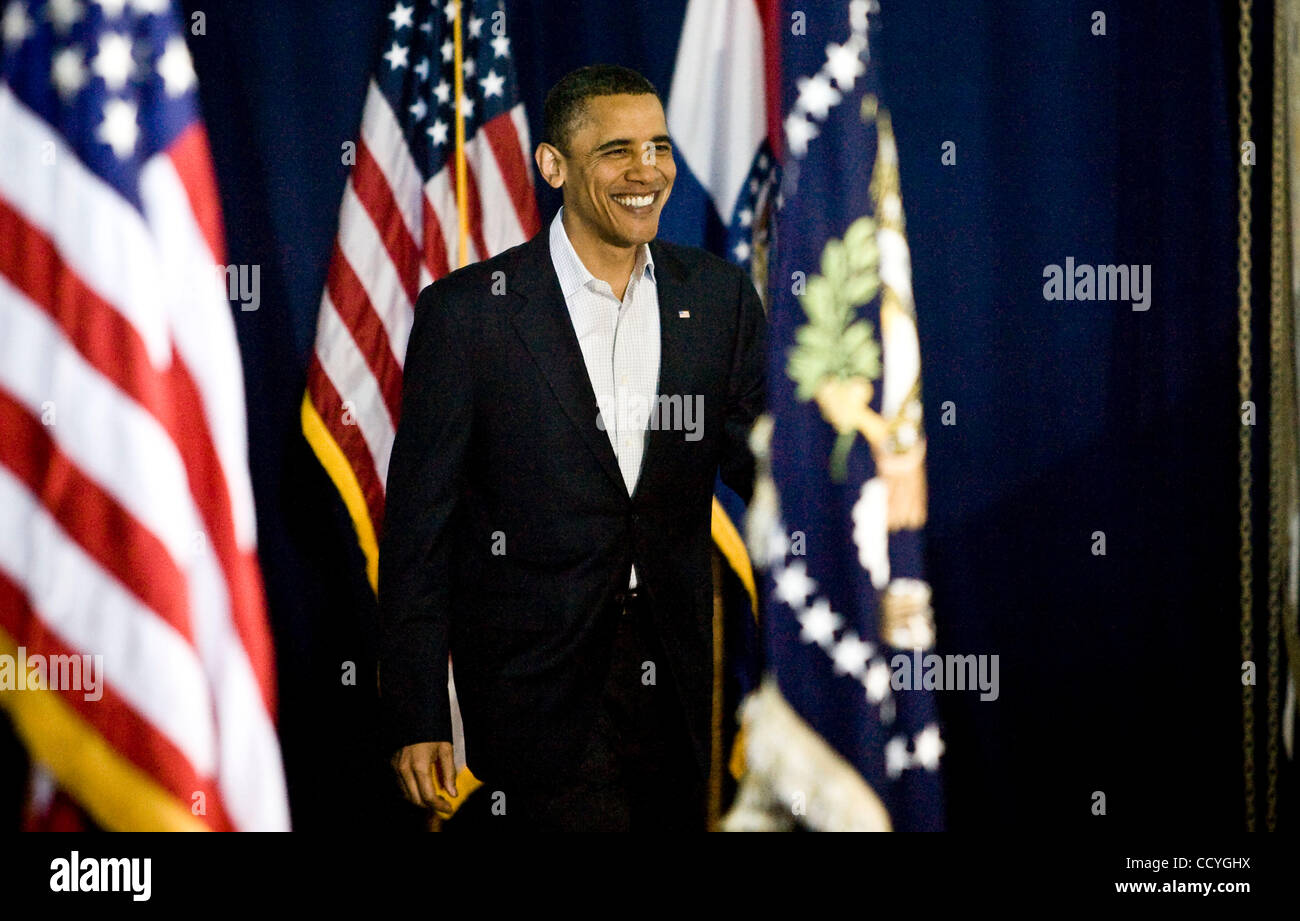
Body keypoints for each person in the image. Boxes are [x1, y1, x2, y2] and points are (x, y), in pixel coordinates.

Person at [378, 64, 766, 830]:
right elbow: (420, 532)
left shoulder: (717, 297)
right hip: (535, 698)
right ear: (553, 165)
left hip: (678, 692)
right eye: (617, 151)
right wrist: (418, 709)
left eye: (658, 146)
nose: (647, 172)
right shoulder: (470, 316)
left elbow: (762, 463)